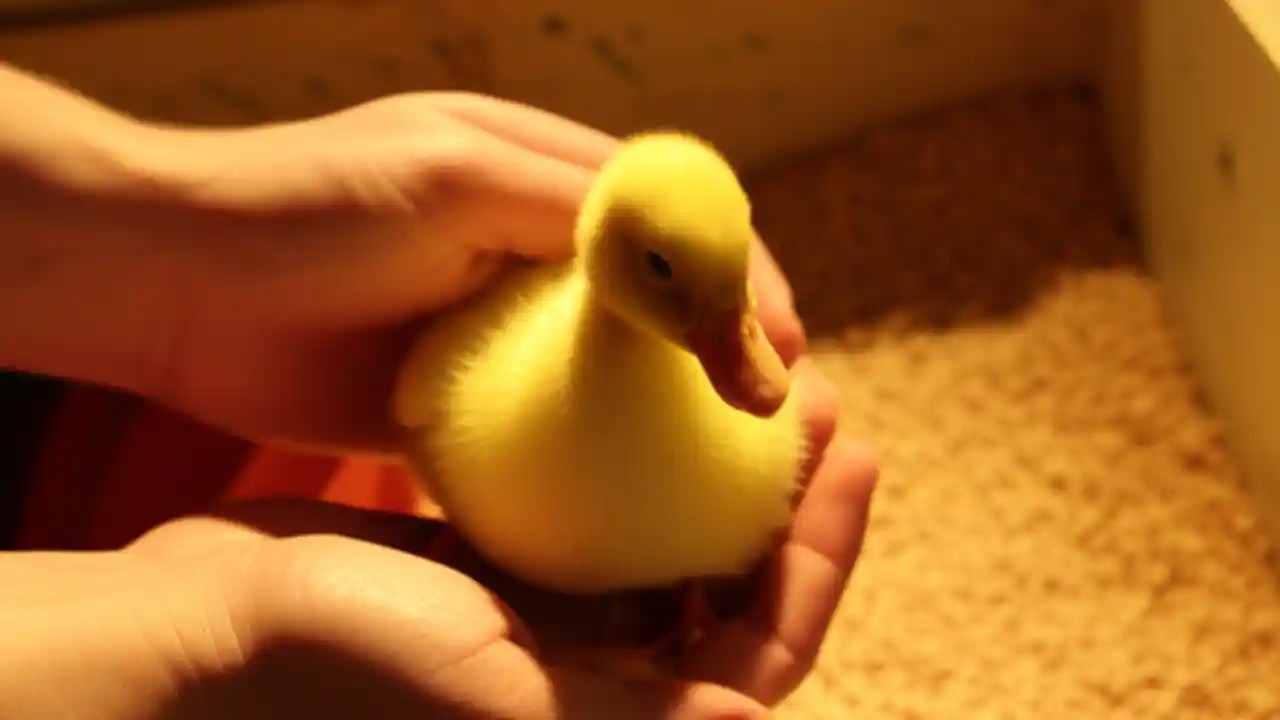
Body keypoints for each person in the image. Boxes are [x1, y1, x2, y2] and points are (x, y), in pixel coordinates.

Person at [0, 62, 878, 719]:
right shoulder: (487, 368)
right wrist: (181, 647)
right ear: (612, 251)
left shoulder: (494, 361)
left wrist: (168, 236)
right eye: (664, 271)